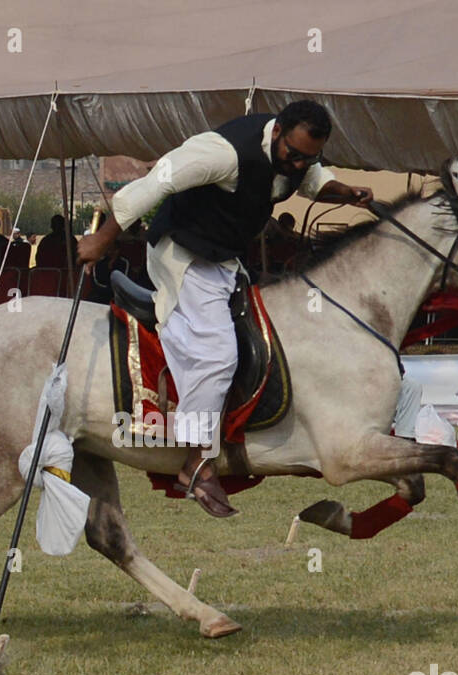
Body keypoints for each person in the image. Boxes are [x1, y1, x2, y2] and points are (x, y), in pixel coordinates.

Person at [76, 99, 374, 516]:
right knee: (217, 353)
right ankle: (196, 462)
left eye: (309, 157)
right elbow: (154, 183)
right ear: (276, 133)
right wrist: (102, 240)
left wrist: (344, 192)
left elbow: (311, 180)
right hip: (181, 253)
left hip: (224, 259)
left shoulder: (297, 158)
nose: (297, 164)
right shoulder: (222, 152)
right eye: (293, 154)